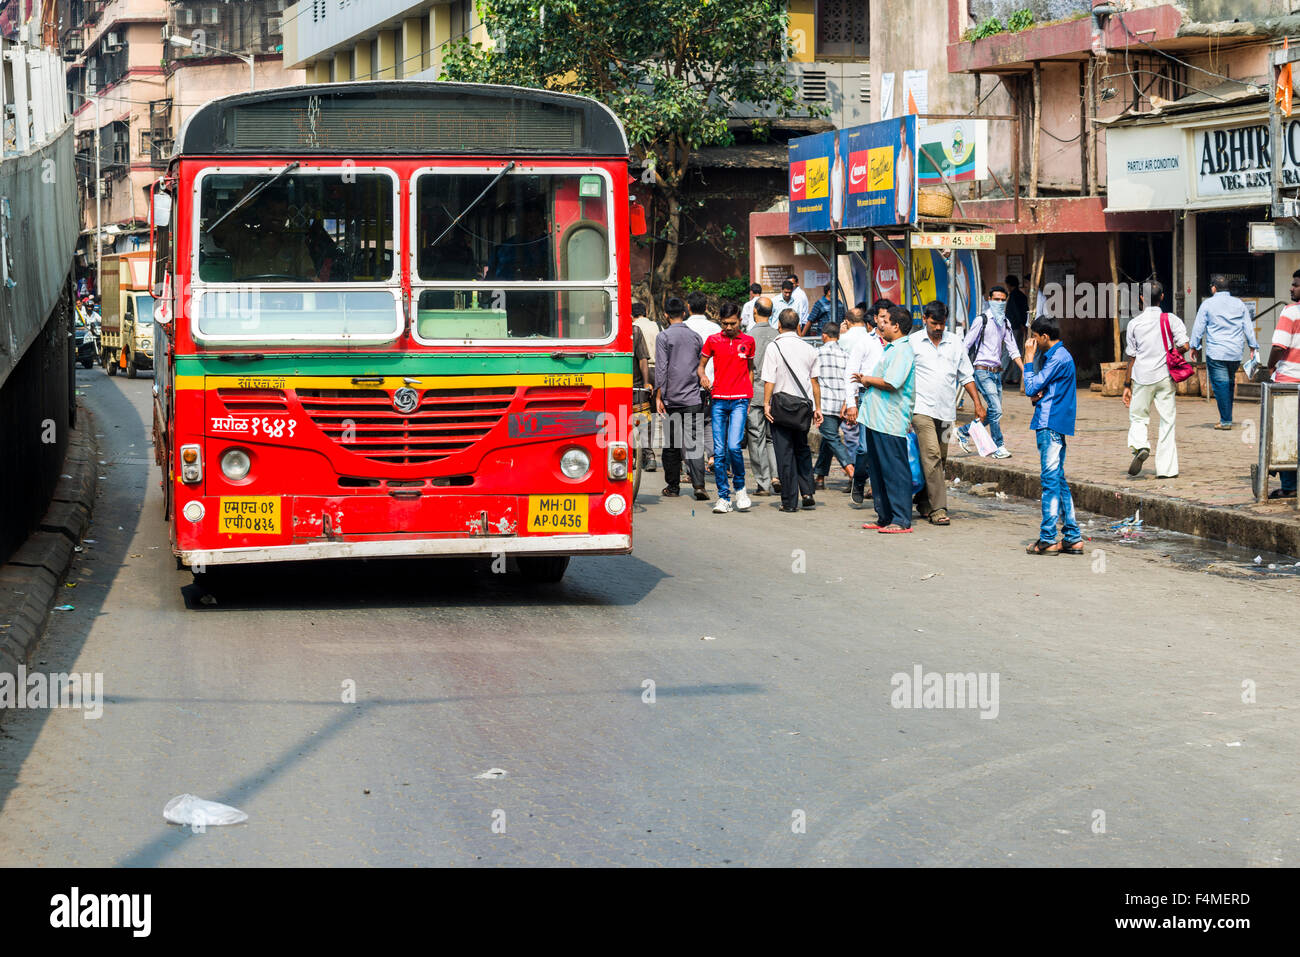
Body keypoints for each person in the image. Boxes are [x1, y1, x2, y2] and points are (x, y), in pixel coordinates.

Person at [908, 300, 986, 526]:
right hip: (921, 410)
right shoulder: (914, 342)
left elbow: (967, 375)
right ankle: (938, 509)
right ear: (925, 319)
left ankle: (923, 501)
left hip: (945, 411)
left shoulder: (955, 342)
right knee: (931, 454)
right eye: (934, 323)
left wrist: (977, 405)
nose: (939, 328)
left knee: (939, 459)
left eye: (942, 323)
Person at [1022, 313, 1082, 555]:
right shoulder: (1058, 356)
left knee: (1049, 481)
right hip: (1055, 421)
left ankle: (1048, 538)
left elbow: (1031, 387)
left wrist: (1028, 359)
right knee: (1058, 479)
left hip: (1050, 422)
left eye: (1035, 338)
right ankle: (1072, 536)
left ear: (1045, 337)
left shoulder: (1057, 358)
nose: (1033, 343)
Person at [856, 305, 916, 533]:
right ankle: (885, 516)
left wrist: (868, 380)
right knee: (879, 470)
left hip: (890, 420)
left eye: (886, 321)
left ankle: (900, 519)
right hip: (876, 418)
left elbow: (892, 382)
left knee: (894, 470)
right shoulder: (892, 349)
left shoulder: (902, 350)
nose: (882, 324)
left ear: (896, 326)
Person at [1122, 280, 1188, 479]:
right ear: (1162, 297)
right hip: (1165, 377)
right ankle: (1167, 470)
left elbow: (1131, 358)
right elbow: (1185, 345)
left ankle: (1141, 445)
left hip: (1142, 377)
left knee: (1138, 416)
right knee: (1167, 421)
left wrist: (1127, 385)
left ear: (1142, 298)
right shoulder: (1171, 319)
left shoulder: (1134, 324)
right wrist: (1170, 352)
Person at [762, 308, 822, 512]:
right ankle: (807, 492)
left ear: (779, 325)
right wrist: (818, 408)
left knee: (784, 453)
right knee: (802, 449)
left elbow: (770, 379)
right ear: (798, 326)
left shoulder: (774, 347)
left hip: (781, 407)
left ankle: (789, 501)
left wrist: (766, 403)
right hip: (803, 408)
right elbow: (815, 383)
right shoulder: (810, 349)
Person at [700, 304, 756, 513]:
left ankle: (740, 489)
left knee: (734, 446)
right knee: (719, 452)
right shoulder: (713, 340)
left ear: (739, 320)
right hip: (718, 400)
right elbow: (700, 366)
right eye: (725, 324)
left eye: (732, 323)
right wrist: (704, 377)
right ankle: (723, 497)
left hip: (741, 399)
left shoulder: (749, 342)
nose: (729, 327)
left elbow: (750, 370)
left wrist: (749, 396)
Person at [956, 285, 1022, 459]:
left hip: (996, 373)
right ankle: (998, 446)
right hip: (982, 371)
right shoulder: (982, 320)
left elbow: (1013, 350)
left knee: (994, 411)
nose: (999, 303)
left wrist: (1026, 371)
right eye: (996, 299)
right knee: (996, 408)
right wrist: (965, 370)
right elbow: (965, 345)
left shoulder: (1005, 323)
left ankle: (963, 432)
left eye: (1002, 300)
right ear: (989, 299)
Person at [654, 297, 708, 500]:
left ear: (666, 315)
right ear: (684, 313)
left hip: (671, 400)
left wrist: (659, 396)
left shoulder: (664, 337)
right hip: (693, 398)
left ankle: (673, 486)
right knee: (694, 442)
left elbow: (661, 368)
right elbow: (699, 365)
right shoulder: (695, 337)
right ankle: (699, 485)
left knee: (672, 445)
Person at [1190, 273, 1259, 430]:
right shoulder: (1239, 304)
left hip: (1217, 352)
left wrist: (1194, 346)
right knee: (1228, 384)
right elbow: (1248, 327)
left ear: (1214, 288)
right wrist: (1253, 346)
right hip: (1235, 352)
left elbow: (1198, 326)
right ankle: (1226, 416)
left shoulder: (1207, 304)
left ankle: (1226, 420)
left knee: (1221, 385)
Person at [844, 305, 887, 504]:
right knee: (865, 448)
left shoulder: (900, 343)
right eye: (882, 317)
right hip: (867, 396)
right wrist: (851, 403)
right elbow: (851, 372)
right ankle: (859, 480)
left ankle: (881, 490)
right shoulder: (864, 342)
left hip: (891, 399)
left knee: (887, 447)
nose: (885, 321)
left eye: (889, 318)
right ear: (875, 319)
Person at [1264, 269, 1300, 497]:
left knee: (1284, 433)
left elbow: (1279, 346)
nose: (1291, 288)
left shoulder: (1290, 312)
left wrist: (1269, 366)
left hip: (1289, 381)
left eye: (1295, 284)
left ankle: (1289, 487)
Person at [812, 322, 855, 490]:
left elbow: (813, 379)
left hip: (825, 404)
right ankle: (820, 477)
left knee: (832, 438)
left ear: (824, 336)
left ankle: (851, 470)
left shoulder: (817, 353)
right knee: (828, 440)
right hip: (841, 404)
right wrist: (847, 402)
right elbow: (850, 381)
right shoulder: (846, 355)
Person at [745, 297, 781, 496]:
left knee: (756, 438)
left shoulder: (748, 337)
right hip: (777, 395)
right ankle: (776, 476)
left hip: (755, 395)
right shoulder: (778, 336)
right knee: (772, 439)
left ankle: (763, 483)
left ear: (755, 311)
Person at [631, 301, 661, 472]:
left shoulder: (635, 330)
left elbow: (643, 358)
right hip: (652, 371)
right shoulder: (655, 326)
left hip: (639, 378)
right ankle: (640, 455)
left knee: (642, 417)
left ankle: (647, 455)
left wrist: (645, 382)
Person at [1003, 275, 1030, 387]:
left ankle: (1000, 376)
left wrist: (1020, 324)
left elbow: (1016, 312)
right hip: (1018, 327)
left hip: (1013, 327)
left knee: (1007, 352)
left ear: (1009, 285)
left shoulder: (1013, 296)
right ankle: (1014, 377)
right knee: (1017, 352)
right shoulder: (1022, 296)